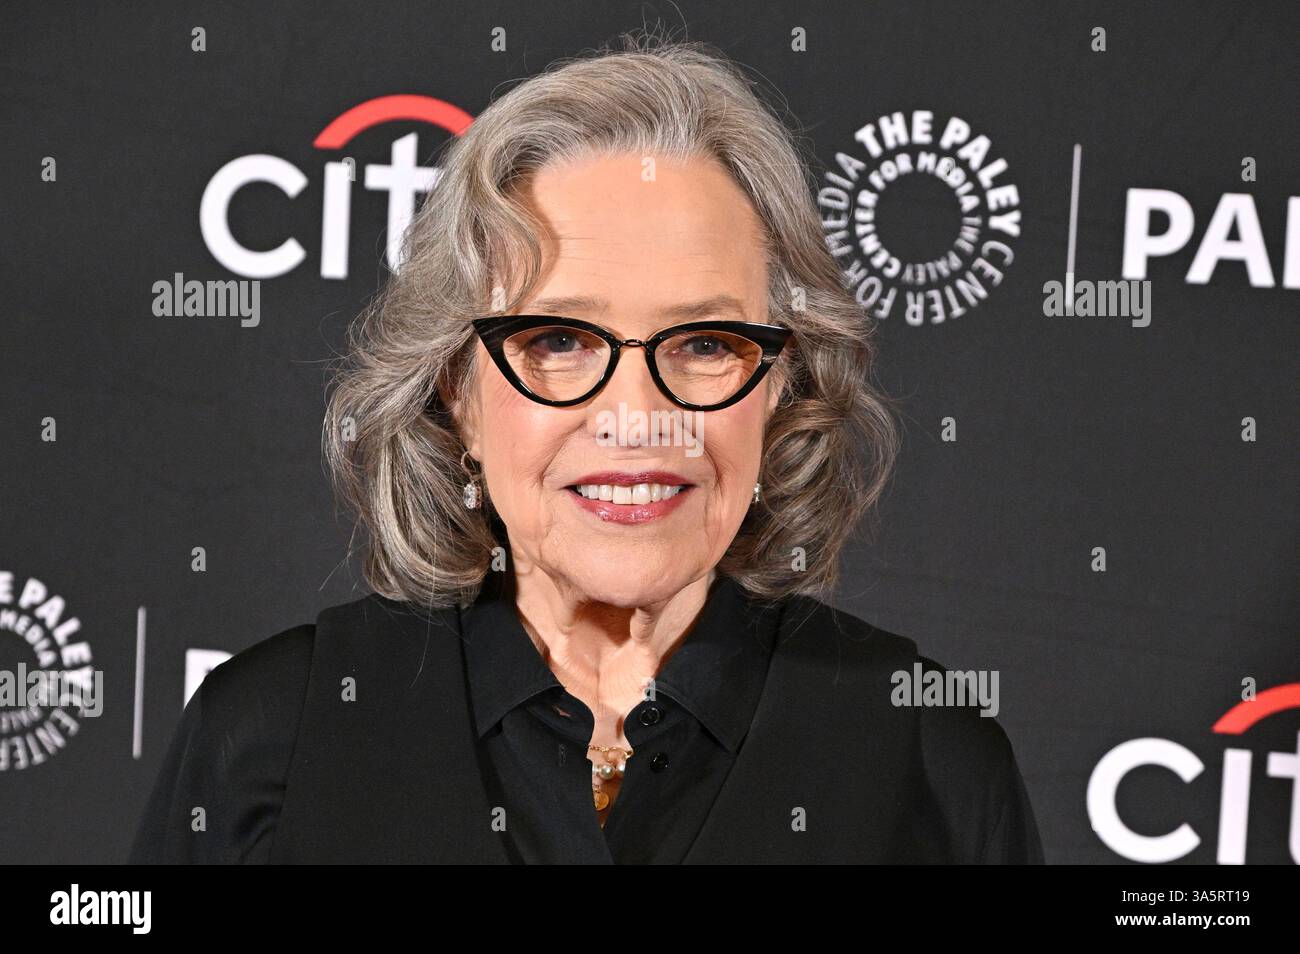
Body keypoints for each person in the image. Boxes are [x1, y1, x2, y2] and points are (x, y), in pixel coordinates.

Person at [128, 31, 1043, 864]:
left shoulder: (925, 751)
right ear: (458, 392)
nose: (637, 416)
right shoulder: (269, 739)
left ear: (778, 391)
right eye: (558, 342)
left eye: (705, 344)